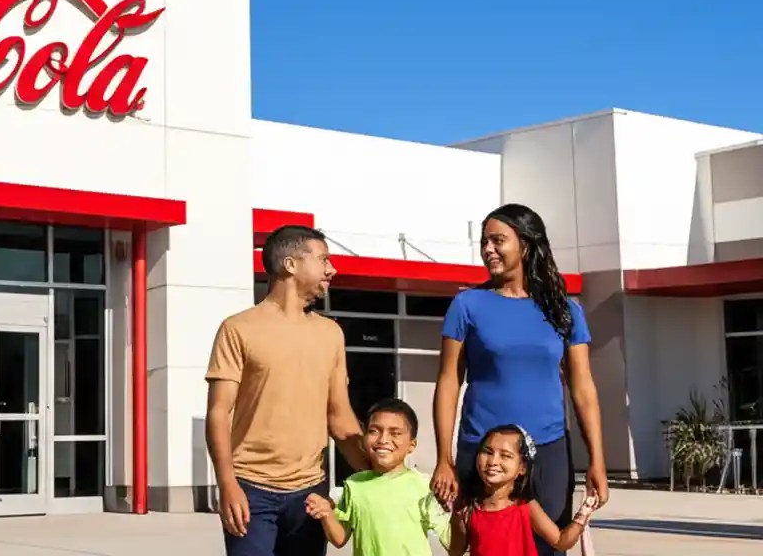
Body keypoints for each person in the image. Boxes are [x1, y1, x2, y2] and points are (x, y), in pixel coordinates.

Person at [431, 203, 608, 556]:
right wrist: (443, 458)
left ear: (526, 245)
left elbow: (583, 387)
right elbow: (448, 381)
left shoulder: (566, 310)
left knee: (549, 547)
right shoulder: (467, 305)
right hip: (483, 451)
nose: (488, 250)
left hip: (549, 451)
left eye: (498, 240)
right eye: (484, 242)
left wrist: (597, 459)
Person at [206, 225, 367, 556]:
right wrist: (227, 484)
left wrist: (379, 475)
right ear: (290, 264)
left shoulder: (330, 333)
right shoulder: (238, 328)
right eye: (323, 259)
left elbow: (340, 419)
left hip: (309, 493)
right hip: (250, 489)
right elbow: (219, 412)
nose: (332, 269)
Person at [303, 398, 453, 555]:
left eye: (395, 433)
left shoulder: (424, 486)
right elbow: (339, 539)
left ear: (411, 445)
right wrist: (326, 513)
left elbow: (452, 543)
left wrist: (460, 515)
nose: (383, 440)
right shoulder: (355, 484)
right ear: (364, 438)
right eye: (374, 431)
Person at [447, 425, 600, 556]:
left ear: (522, 467)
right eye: (487, 452)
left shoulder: (525, 507)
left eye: (505, 456)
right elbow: (456, 551)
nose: (493, 461)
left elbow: (560, 541)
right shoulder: (470, 508)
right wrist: (457, 517)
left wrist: (583, 515)